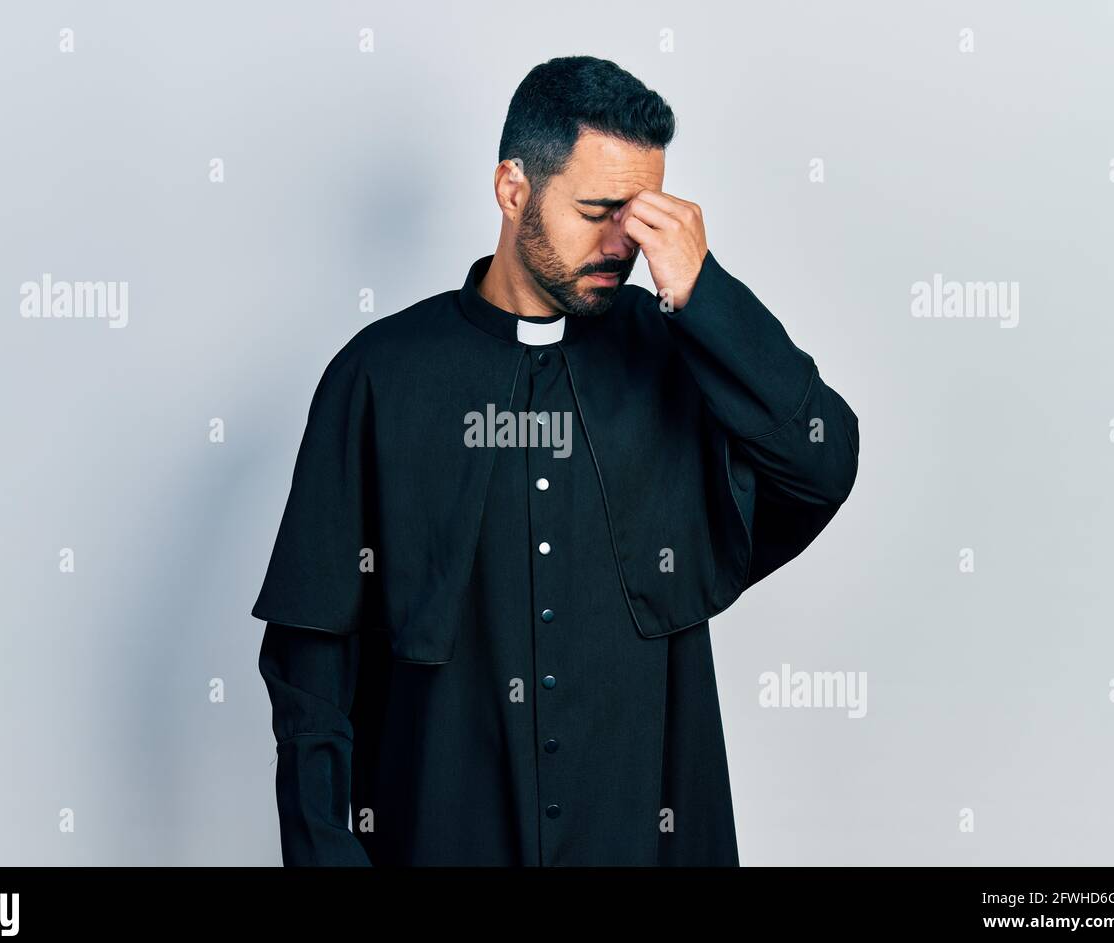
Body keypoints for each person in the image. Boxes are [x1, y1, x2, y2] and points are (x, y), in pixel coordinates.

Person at [253, 55, 860, 866]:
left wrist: (703, 293)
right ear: (513, 190)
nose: (622, 245)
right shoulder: (380, 374)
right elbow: (309, 662)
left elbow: (821, 462)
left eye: (642, 219)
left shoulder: (680, 354)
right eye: (597, 210)